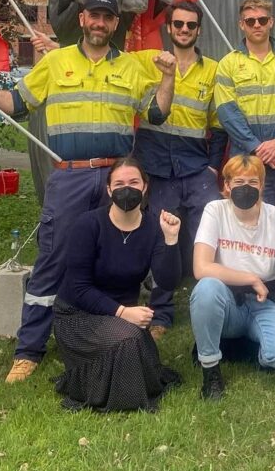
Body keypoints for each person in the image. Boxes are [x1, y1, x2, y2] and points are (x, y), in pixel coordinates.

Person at [0, 0, 176, 383]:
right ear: (83, 19)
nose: (101, 23)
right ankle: (29, 350)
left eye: (108, 17)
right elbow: (16, 102)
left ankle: (117, 331)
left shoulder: (131, 68)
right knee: (53, 258)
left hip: (115, 178)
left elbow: (158, 111)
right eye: (95, 16)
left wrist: (169, 77)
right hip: (69, 176)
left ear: (115, 22)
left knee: (120, 253)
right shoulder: (55, 62)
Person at [52, 158, 182, 411]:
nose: (127, 188)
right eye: (119, 183)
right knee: (128, 341)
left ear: (145, 187)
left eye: (134, 182)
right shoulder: (88, 225)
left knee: (130, 339)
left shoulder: (153, 227)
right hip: (78, 314)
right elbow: (79, 289)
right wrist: (123, 312)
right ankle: (112, 392)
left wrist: (171, 240)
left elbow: (167, 281)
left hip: (122, 316)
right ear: (109, 190)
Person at [132, 0, 227, 341]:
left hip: (196, 167)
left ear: (198, 30)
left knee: (209, 238)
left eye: (191, 25)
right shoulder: (148, 62)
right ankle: (160, 313)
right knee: (161, 242)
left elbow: (218, 126)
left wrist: (214, 166)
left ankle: (216, 305)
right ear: (168, 28)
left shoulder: (214, 69)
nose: (184, 29)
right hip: (156, 167)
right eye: (179, 24)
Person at [189, 154, 275, 399]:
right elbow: (201, 268)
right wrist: (251, 278)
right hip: (227, 298)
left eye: (253, 182)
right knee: (205, 289)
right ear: (226, 186)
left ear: (262, 186)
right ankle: (211, 370)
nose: (245, 188)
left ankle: (244, 347)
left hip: (267, 300)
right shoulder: (215, 210)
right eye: (238, 182)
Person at [214, 0, 275, 218]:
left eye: (262, 19)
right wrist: (260, 149)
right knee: (251, 229)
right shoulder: (228, 64)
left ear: (271, 21)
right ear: (241, 24)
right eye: (250, 21)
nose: (257, 25)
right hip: (246, 164)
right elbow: (227, 114)